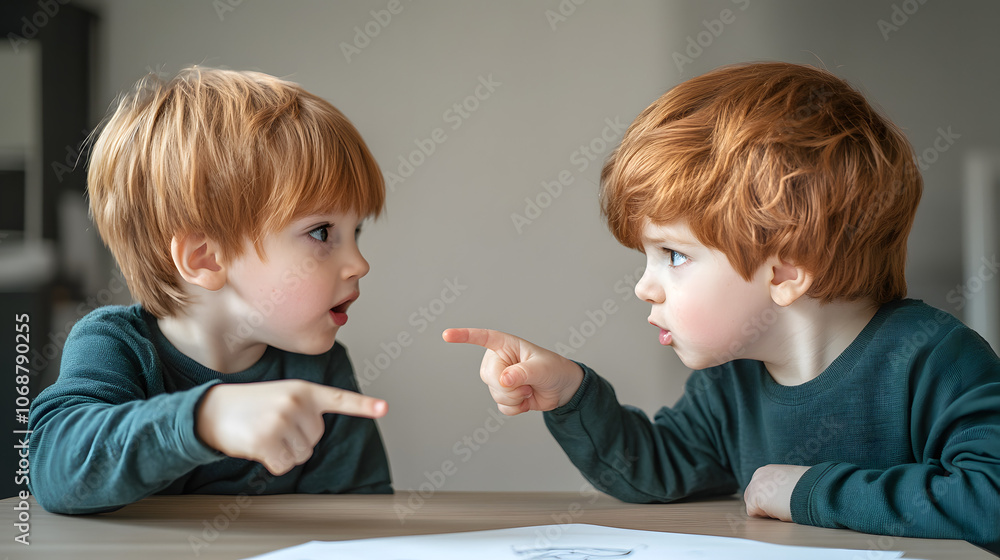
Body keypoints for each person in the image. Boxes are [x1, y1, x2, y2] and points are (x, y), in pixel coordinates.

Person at [444, 62, 1000, 552]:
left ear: (784, 272)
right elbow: (658, 472)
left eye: (673, 256)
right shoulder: (732, 379)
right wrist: (571, 395)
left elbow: (989, 499)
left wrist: (807, 491)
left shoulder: (934, 360)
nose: (644, 287)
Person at [28, 67, 392, 514]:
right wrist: (207, 418)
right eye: (322, 233)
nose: (359, 264)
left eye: (356, 231)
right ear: (205, 259)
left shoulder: (322, 371)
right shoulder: (114, 345)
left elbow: (359, 524)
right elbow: (55, 471)